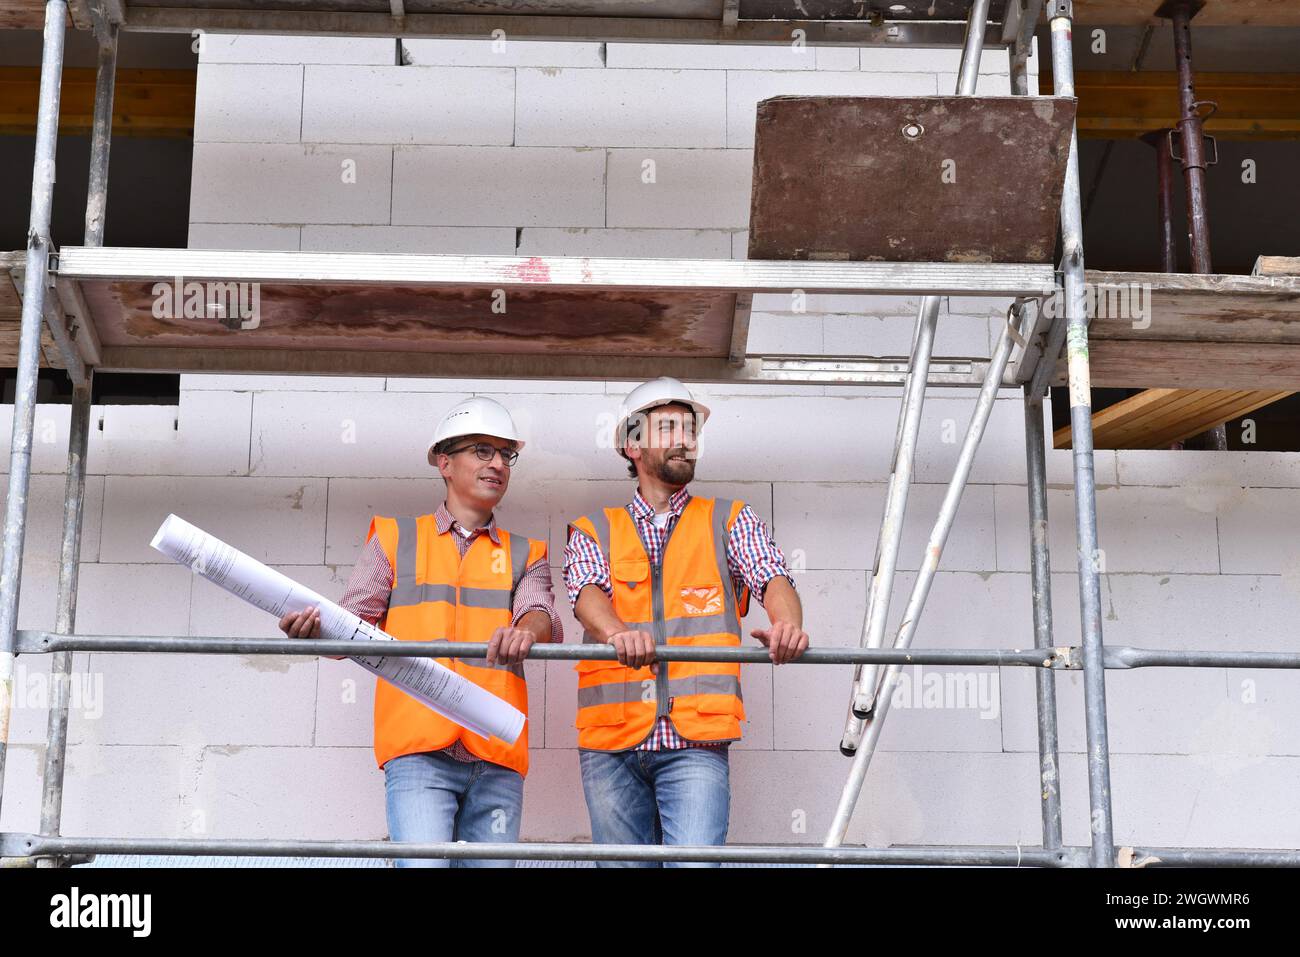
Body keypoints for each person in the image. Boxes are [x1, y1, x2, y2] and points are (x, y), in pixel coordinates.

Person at [279, 396, 561, 867]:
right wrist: (315, 634)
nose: (497, 464)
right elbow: (349, 630)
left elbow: (542, 615)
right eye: (482, 451)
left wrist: (527, 631)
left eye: (504, 455)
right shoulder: (393, 538)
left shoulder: (527, 552)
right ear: (444, 463)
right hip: (419, 753)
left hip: (496, 754)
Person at [563, 376, 808, 866]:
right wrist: (618, 634)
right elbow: (587, 595)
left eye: (691, 430)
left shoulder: (729, 519)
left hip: (694, 740)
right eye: (669, 427)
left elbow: (773, 576)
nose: (685, 439)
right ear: (633, 444)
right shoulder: (595, 530)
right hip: (612, 743)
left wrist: (786, 624)